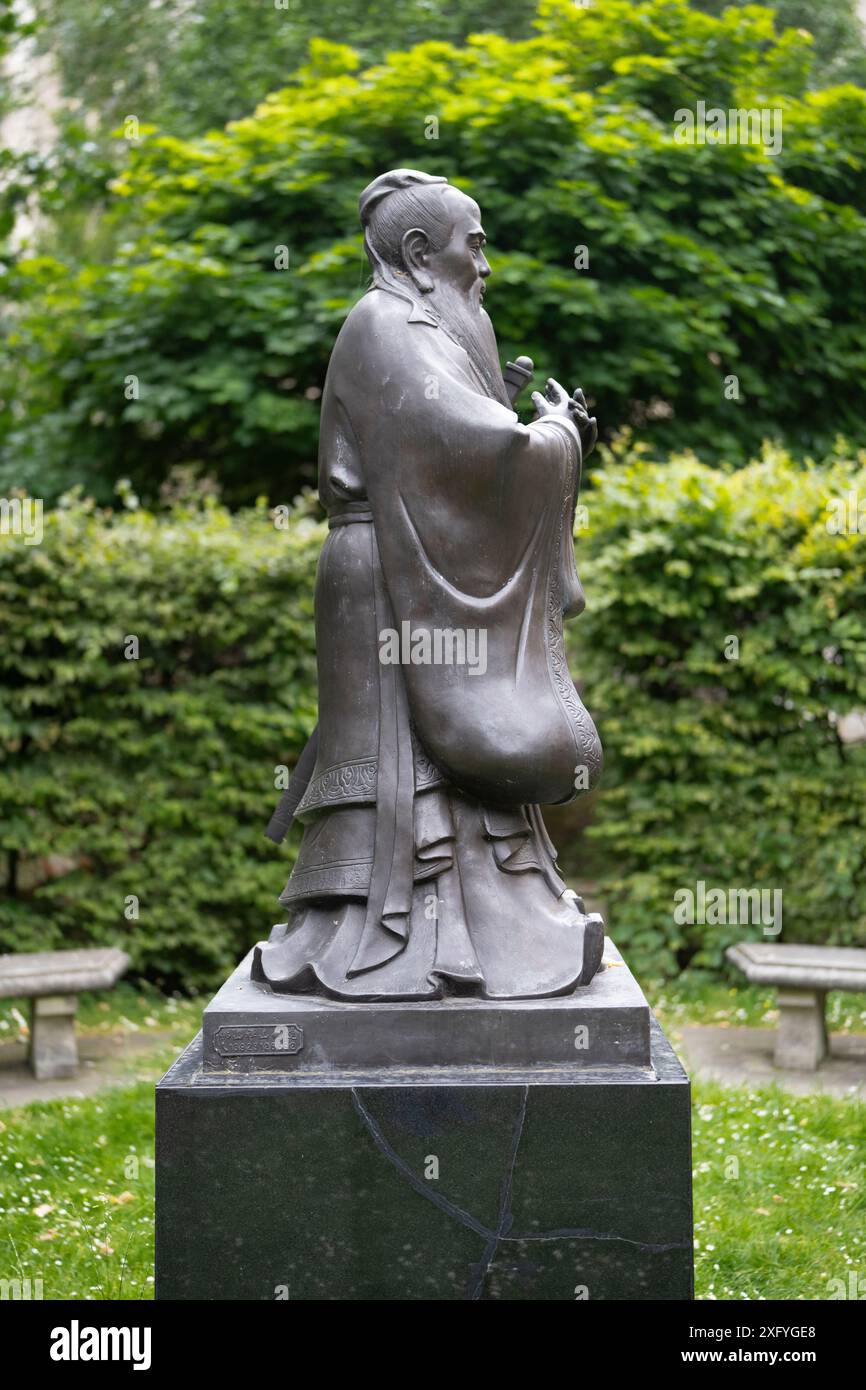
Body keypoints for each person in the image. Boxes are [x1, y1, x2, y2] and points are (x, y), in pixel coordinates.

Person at [254, 168, 604, 1000]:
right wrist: (551, 435)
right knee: (398, 766)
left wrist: (510, 418)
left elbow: (459, 446)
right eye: (473, 246)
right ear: (419, 252)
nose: (485, 266)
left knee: (455, 780)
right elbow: (482, 450)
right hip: (382, 579)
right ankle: (379, 939)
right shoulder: (383, 324)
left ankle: (488, 937)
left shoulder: (430, 328)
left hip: (407, 569)